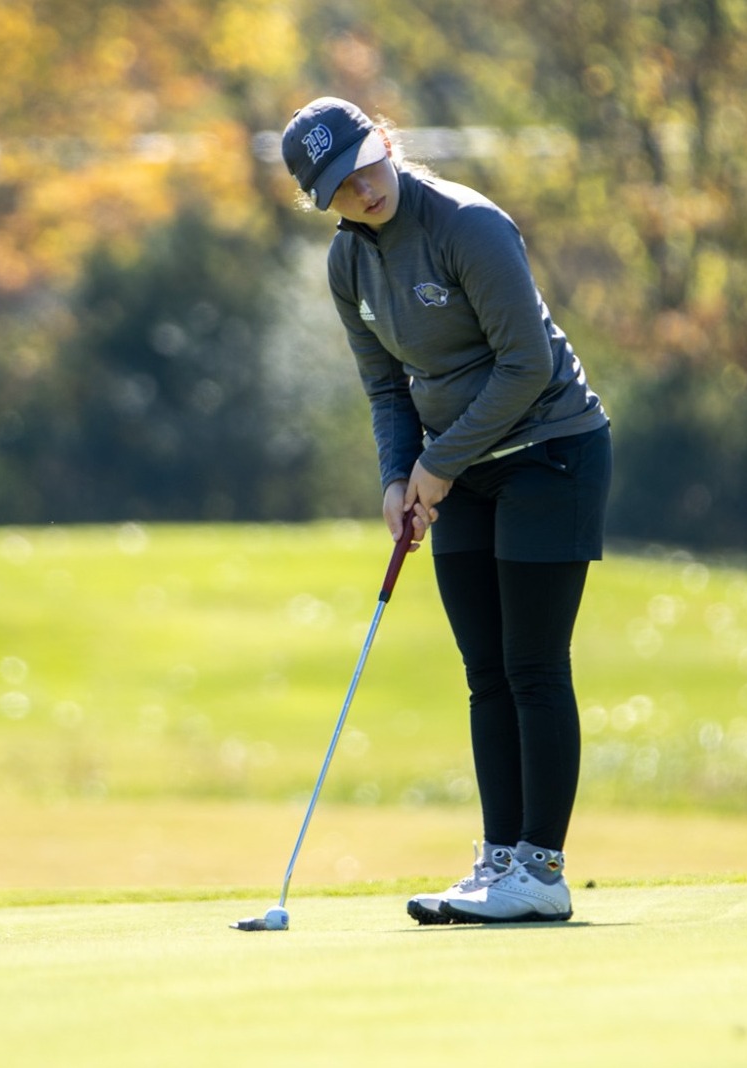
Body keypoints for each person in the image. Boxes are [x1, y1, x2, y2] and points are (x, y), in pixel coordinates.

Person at [280, 97, 613, 925]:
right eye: (339, 185)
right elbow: (385, 386)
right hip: (460, 471)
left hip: (551, 453)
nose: (361, 189)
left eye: (365, 164)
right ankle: (500, 859)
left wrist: (436, 464)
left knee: (533, 665)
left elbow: (525, 365)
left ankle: (540, 868)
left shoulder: (468, 225)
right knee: (484, 672)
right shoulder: (347, 265)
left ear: (385, 140)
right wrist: (398, 479)